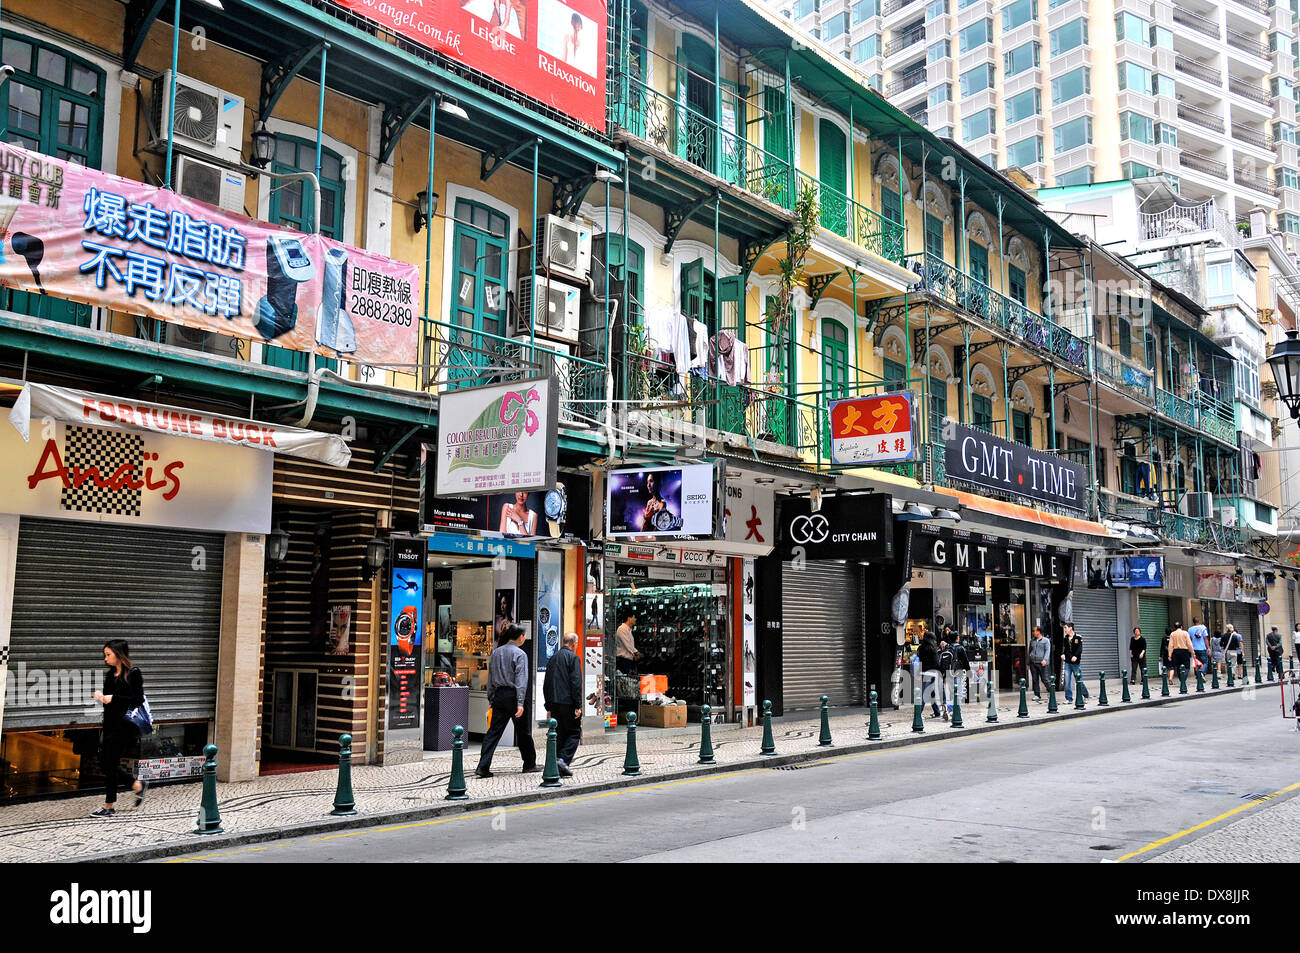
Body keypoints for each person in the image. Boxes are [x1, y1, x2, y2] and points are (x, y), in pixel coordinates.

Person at [90, 639, 147, 817]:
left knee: (108, 762)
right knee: (106, 762)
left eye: (108, 654)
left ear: (119, 654)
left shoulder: (134, 674)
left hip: (125, 726)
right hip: (109, 725)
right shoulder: (110, 675)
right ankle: (136, 785)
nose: (105, 658)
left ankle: (109, 806)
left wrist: (114, 698)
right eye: (104, 655)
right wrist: (102, 697)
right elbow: (109, 702)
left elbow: (137, 700)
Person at [476, 625, 538, 778]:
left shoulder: (496, 652)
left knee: (493, 732)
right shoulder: (520, 654)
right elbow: (521, 680)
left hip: (499, 696)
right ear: (521, 637)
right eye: (524, 636)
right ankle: (529, 764)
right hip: (513, 695)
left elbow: (490, 678)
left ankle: (483, 766)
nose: (524, 638)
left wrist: (491, 698)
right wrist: (520, 703)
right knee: (524, 732)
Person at [542, 632, 583, 777]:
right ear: (573, 644)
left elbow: (546, 683)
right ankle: (563, 760)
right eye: (577, 644)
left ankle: (557, 765)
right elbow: (576, 682)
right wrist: (578, 705)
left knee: (559, 734)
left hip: (554, 703)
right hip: (568, 702)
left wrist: (548, 705)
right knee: (574, 732)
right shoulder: (573, 658)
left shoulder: (552, 658)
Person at [919, 633, 946, 720]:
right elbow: (936, 663)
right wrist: (942, 672)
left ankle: (937, 712)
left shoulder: (921, 648)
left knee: (931, 693)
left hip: (924, 672)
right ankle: (918, 713)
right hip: (932, 673)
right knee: (926, 693)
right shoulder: (933, 649)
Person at [1061, 622, 1089, 702]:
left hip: (1076, 663)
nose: (1065, 630)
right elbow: (1065, 649)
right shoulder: (1065, 638)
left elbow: (1080, 649)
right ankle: (1069, 698)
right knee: (1067, 681)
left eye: (1065, 628)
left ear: (1070, 628)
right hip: (1067, 663)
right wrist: (1063, 654)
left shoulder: (1078, 637)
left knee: (1079, 680)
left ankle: (1086, 696)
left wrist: (1075, 656)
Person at [1027, 625, 1052, 701]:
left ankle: (1051, 692)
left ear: (1039, 632)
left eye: (1034, 631)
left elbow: (1047, 651)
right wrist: (1028, 663)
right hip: (1033, 663)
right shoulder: (1032, 641)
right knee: (1035, 679)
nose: (1033, 632)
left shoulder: (1046, 640)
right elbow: (1029, 652)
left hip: (1042, 663)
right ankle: (1037, 695)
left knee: (1045, 679)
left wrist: (1045, 660)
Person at [615, 610, 639, 675]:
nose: (635, 619)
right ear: (629, 618)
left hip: (628, 660)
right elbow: (627, 644)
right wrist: (636, 652)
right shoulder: (622, 629)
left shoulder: (629, 630)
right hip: (623, 661)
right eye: (634, 617)